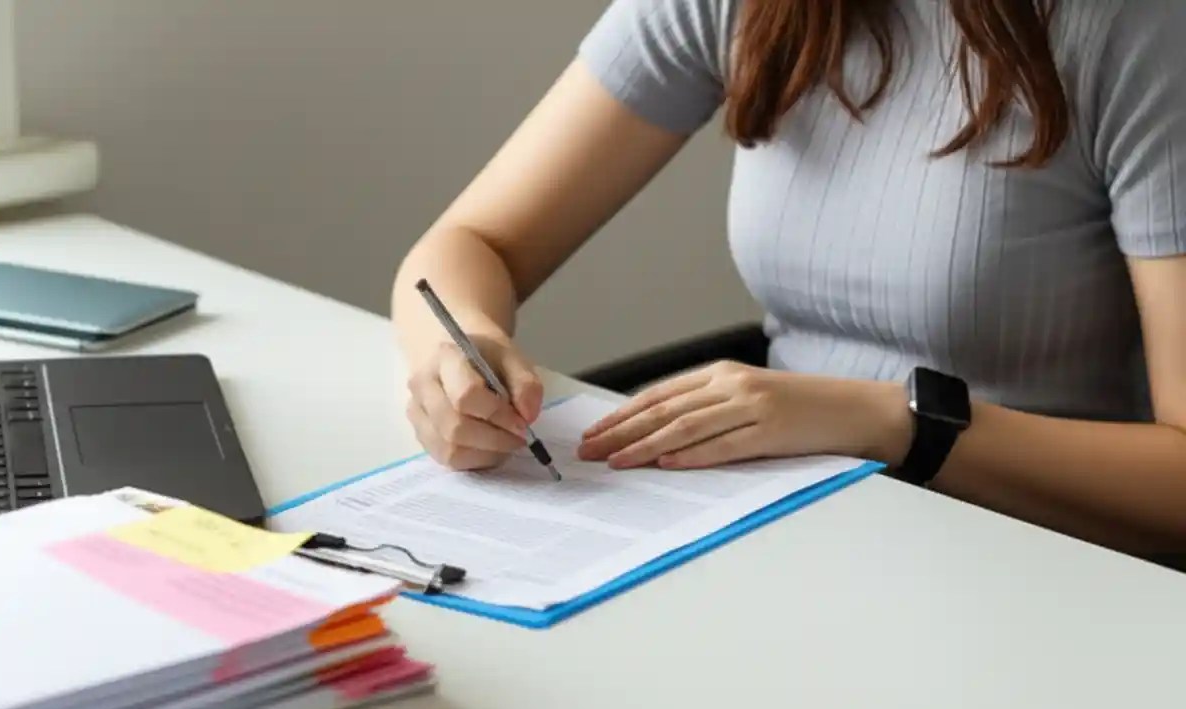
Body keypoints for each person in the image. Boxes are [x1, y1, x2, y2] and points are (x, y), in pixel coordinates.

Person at [390, 0, 1186, 561]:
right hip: (789, 537)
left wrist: (898, 421)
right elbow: (467, 244)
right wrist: (463, 354)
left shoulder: (1142, 29)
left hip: (1055, 576)